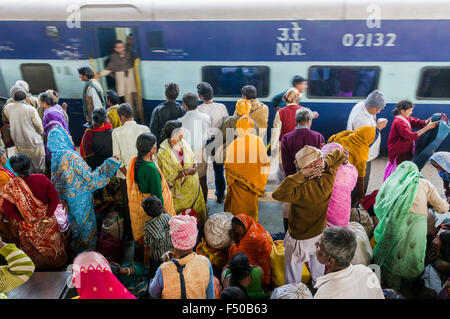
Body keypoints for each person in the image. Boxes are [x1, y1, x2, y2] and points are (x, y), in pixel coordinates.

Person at [272, 146, 347, 285]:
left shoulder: (299, 189)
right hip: (319, 232)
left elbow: (277, 194)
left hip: (299, 237)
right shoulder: (328, 177)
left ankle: (293, 290)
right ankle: (317, 285)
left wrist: (301, 175)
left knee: (294, 269)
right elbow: (339, 153)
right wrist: (325, 164)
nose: (320, 162)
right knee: (318, 262)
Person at [373, 161, 449, 290]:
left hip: (393, 221)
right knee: (412, 253)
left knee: (392, 251)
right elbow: (442, 208)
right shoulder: (425, 183)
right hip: (416, 225)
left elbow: (381, 202)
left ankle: (389, 285)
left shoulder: (393, 183)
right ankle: (408, 286)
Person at [48, 126, 121, 254]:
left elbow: (55, 182)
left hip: (67, 200)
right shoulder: (71, 156)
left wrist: (62, 199)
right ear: (62, 139)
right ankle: (88, 254)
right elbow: (89, 177)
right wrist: (110, 164)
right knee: (86, 226)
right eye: (67, 135)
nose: (70, 137)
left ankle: (78, 250)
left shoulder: (55, 157)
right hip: (81, 198)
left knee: (75, 225)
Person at [1, 154, 67, 268]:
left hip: (27, 227)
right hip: (48, 221)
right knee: (52, 245)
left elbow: (8, 210)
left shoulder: (11, 187)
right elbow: (55, 199)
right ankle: (57, 263)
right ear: (29, 165)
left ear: (13, 169)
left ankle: (37, 266)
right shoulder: (42, 179)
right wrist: (47, 216)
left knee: (32, 249)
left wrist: (24, 219)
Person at [148, 215, 215, 299]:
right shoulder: (205, 262)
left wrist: (167, 265)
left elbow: (153, 292)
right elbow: (210, 296)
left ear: (173, 241)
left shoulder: (163, 269)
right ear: (194, 239)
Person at [279, 108, 325, 231]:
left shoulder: (286, 138)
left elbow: (286, 164)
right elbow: (320, 161)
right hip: (312, 183)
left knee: (289, 209)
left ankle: (288, 234)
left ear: (296, 121)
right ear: (309, 120)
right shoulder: (318, 137)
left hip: (294, 181)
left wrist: (294, 178)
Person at [127, 133, 175, 243]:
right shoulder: (151, 169)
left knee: (146, 238)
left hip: (142, 207)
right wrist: (168, 217)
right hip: (154, 208)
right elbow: (158, 198)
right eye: (155, 144)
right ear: (152, 148)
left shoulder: (134, 161)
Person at [112, 103, 150, 239]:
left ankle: (132, 234)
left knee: (129, 205)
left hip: (125, 177)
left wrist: (129, 174)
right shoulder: (145, 128)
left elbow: (116, 158)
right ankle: (147, 231)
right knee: (145, 202)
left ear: (122, 116)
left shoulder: (116, 132)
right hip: (144, 174)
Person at [157, 120, 207, 224]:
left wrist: (195, 162)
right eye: (181, 130)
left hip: (193, 186)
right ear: (175, 134)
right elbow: (168, 176)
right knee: (184, 219)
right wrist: (186, 173)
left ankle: (199, 228)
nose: (183, 131)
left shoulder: (183, 142)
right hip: (179, 192)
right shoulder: (163, 153)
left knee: (197, 212)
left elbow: (191, 156)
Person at [314, 227, 384, 299]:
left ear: (330, 261)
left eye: (318, 246)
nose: (315, 244)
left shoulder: (325, 294)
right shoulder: (366, 271)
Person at [224, 116, 270, 222]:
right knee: (250, 211)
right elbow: (265, 163)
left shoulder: (234, 144)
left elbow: (228, 166)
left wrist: (231, 181)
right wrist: (260, 181)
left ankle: (236, 231)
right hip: (253, 185)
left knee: (237, 211)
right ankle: (250, 229)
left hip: (237, 186)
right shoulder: (259, 142)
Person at [384, 100, 439, 180]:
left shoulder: (405, 118)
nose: (411, 112)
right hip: (398, 153)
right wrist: (427, 128)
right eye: (410, 110)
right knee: (397, 172)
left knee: (403, 170)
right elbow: (409, 136)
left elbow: (419, 123)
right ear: (402, 111)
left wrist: (429, 121)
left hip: (404, 152)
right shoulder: (399, 122)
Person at [347, 90, 388, 192]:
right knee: (361, 182)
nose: (379, 111)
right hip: (363, 157)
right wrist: (378, 128)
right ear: (372, 106)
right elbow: (365, 144)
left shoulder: (361, 105)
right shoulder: (363, 121)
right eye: (378, 109)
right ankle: (355, 204)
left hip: (359, 154)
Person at [97, 39, 143, 123]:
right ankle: (134, 120)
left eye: (122, 46)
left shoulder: (130, 53)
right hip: (124, 84)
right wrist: (99, 75)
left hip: (133, 82)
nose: (121, 48)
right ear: (115, 49)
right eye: (119, 47)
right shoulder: (114, 57)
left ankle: (142, 118)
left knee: (139, 101)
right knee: (129, 103)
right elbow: (109, 69)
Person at [197, 82, 229, 203]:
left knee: (202, 170)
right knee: (219, 169)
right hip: (218, 140)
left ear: (201, 96)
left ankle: (202, 195)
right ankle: (220, 194)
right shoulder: (221, 107)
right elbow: (226, 124)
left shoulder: (199, 109)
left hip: (203, 141)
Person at [328, 126, 376, 206]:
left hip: (329, 170)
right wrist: (361, 195)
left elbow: (331, 140)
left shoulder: (345, 135)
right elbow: (360, 177)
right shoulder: (362, 151)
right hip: (342, 177)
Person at [3, 85, 45, 174]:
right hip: (34, 142)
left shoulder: (8, 108)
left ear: (12, 96)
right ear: (25, 95)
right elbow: (39, 127)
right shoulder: (31, 109)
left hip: (19, 143)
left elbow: (7, 119)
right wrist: (41, 133)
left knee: (25, 167)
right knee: (39, 168)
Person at [178, 93, 211, 203]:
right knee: (202, 180)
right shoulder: (206, 118)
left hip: (186, 154)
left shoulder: (180, 121)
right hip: (200, 152)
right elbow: (207, 135)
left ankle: (191, 205)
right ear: (197, 103)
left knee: (187, 180)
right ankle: (204, 204)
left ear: (185, 105)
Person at [228, 214, 272, 286]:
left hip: (257, 273)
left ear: (244, 225)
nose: (236, 231)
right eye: (234, 228)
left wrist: (232, 241)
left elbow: (235, 256)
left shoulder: (250, 239)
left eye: (238, 227)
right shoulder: (255, 227)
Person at [322, 143, 358, 227]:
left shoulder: (321, 173)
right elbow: (352, 185)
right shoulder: (349, 171)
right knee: (340, 237)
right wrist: (345, 162)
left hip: (324, 216)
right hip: (342, 215)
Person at [142, 195, 173, 277]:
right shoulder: (169, 217)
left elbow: (149, 249)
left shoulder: (149, 228)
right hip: (171, 254)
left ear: (147, 212)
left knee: (157, 276)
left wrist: (146, 261)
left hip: (157, 260)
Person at [39, 91, 70, 170]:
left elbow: (53, 129)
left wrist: (46, 137)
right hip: (64, 136)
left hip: (54, 140)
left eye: (39, 101)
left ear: (44, 103)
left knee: (55, 158)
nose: (38, 102)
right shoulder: (57, 106)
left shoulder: (49, 113)